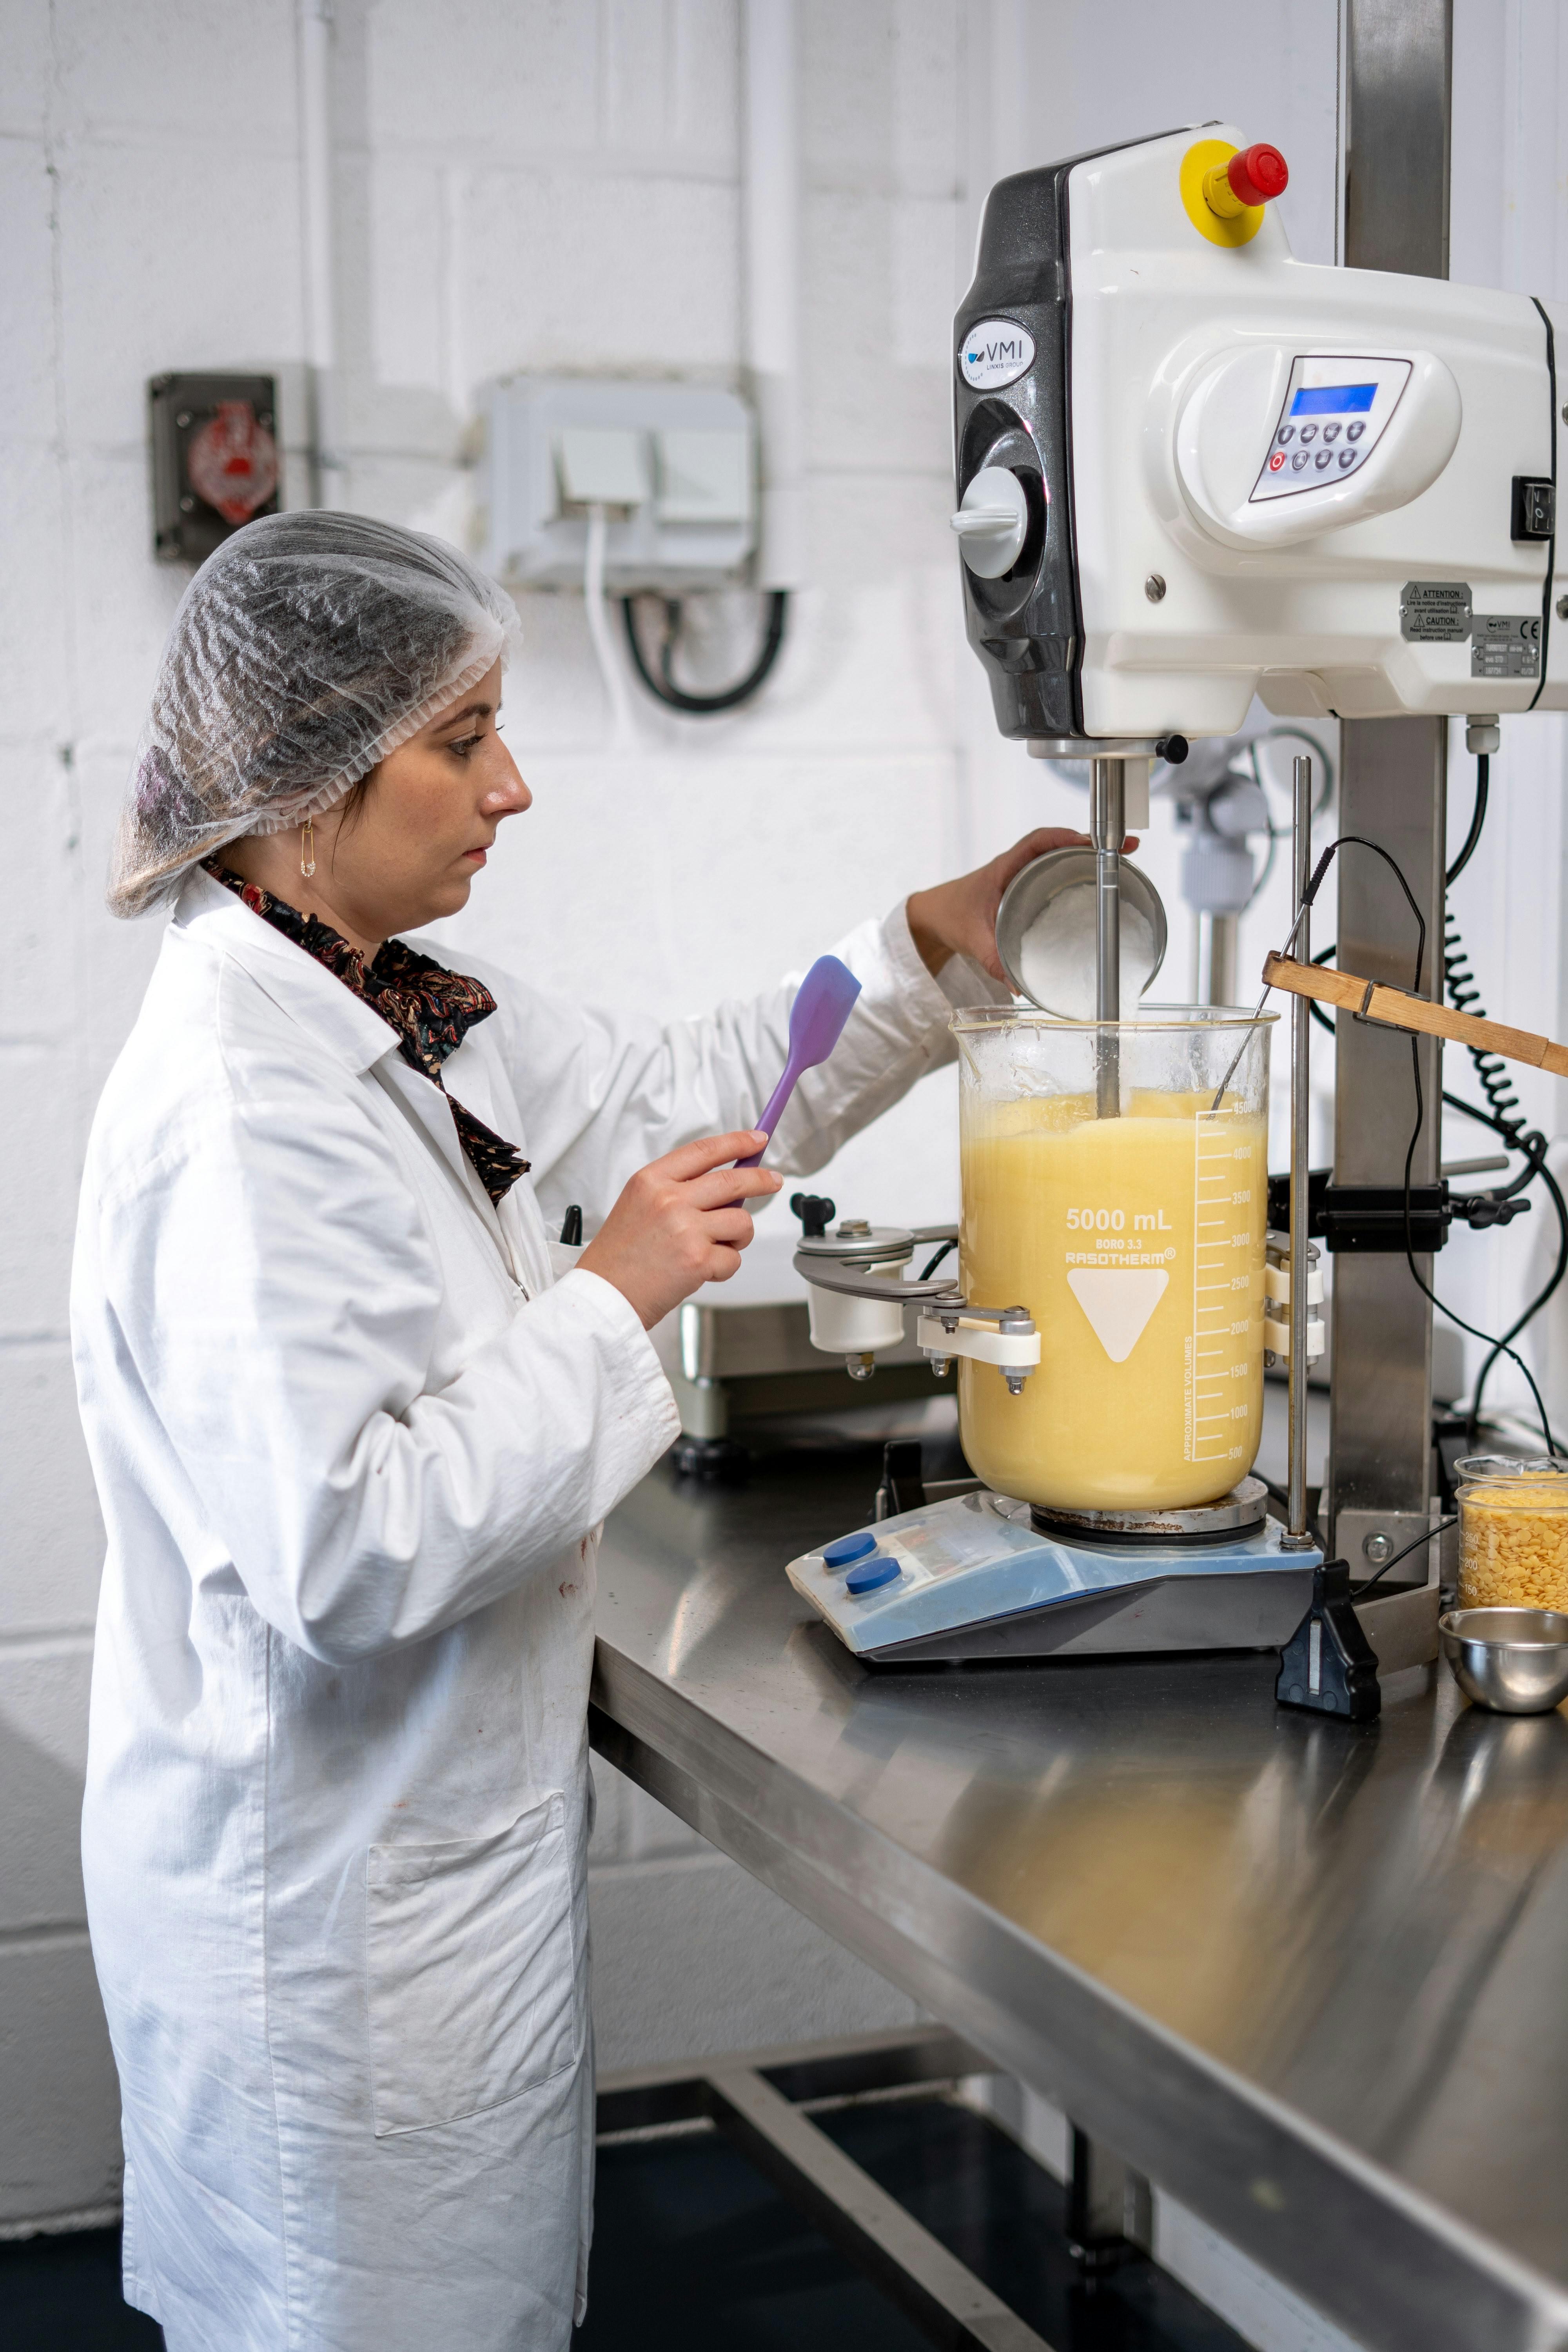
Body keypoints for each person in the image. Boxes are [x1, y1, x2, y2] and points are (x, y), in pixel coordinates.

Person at [72, 511, 1096, 2352]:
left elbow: (671, 1097)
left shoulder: (386, 1002)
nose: (514, 786)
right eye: (462, 741)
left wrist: (921, 960)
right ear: (311, 779)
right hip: (330, 1914)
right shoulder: (240, 1104)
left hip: (423, 1869)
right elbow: (348, 1548)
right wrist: (614, 1296)